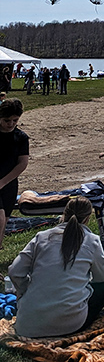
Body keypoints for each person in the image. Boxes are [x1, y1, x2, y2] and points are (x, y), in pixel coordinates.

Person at [8, 196, 104, 338]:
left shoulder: (41, 237)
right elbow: (101, 277)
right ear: (87, 218)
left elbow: (15, 271)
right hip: (70, 324)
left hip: (27, 324)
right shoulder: (91, 240)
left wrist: (25, 290)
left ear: (64, 214)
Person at [0, 98, 29, 250]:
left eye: (15, 120)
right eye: (7, 120)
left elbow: (22, 163)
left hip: (9, 183)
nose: (11, 124)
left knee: (4, 221)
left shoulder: (21, 137)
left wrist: (3, 182)